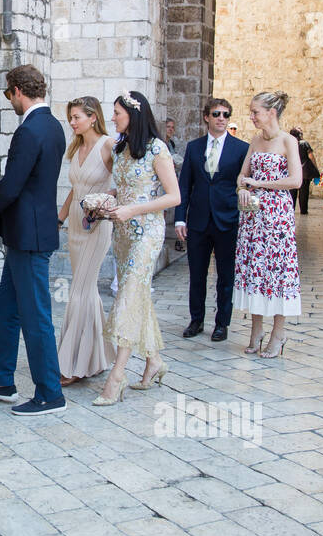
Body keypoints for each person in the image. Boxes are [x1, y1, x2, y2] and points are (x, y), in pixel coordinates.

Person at [0, 65, 67, 415]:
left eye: (7, 94)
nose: (9, 100)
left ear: (16, 91)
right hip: (27, 233)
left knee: (36, 315)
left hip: (29, 238)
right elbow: (29, 179)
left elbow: (16, 185)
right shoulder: (53, 125)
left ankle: (50, 393)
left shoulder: (29, 130)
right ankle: (1, 380)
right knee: (6, 309)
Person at [92, 91, 180, 403]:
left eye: (116, 112)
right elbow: (124, 187)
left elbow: (173, 196)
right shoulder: (121, 147)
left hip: (148, 232)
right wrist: (108, 199)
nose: (112, 117)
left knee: (128, 294)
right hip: (122, 232)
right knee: (137, 293)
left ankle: (116, 377)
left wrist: (133, 209)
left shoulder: (158, 148)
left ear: (133, 114)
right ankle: (154, 362)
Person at [234, 91, 302, 358]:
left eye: (255, 112)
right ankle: (256, 328)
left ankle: (279, 332)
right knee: (255, 271)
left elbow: (295, 181)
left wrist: (260, 184)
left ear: (271, 113)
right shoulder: (255, 140)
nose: (251, 117)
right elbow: (243, 174)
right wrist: (243, 186)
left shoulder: (288, 141)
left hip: (277, 215)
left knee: (277, 272)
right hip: (253, 215)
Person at [175, 98, 249, 342]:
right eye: (216, 113)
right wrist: (179, 219)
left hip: (227, 220)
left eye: (226, 115)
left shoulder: (241, 148)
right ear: (206, 116)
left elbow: (244, 184)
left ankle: (222, 324)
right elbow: (185, 185)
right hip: (197, 220)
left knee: (226, 276)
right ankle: (196, 320)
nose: (221, 118)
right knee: (197, 274)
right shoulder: (194, 147)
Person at [56, 96, 115, 386]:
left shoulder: (108, 145)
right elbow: (75, 188)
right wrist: (61, 217)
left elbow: (122, 184)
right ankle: (96, 357)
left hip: (97, 225)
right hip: (76, 227)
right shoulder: (78, 146)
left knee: (79, 290)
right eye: (71, 117)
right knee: (86, 289)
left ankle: (70, 364)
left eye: (76, 116)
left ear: (93, 117)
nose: (72, 122)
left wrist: (103, 202)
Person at [291, 128, 317, 215]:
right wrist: (315, 167)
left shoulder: (289, 143)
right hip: (304, 170)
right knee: (304, 191)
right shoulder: (304, 143)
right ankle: (303, 210)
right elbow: (311, 156)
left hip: (292, 170)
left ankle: (291, 209)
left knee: (292, 191)